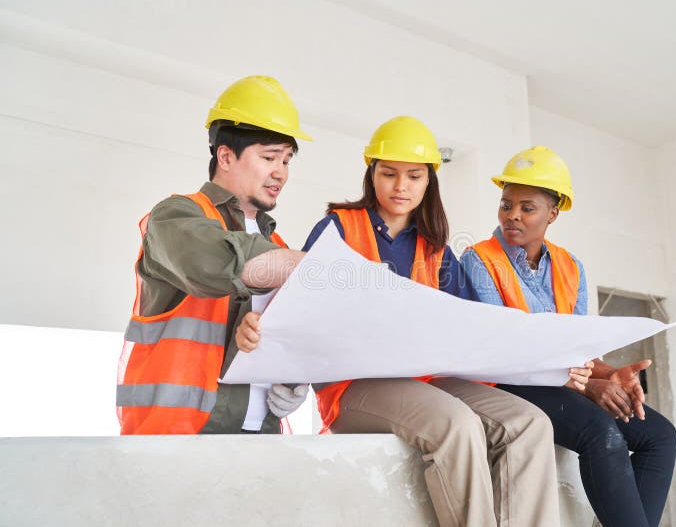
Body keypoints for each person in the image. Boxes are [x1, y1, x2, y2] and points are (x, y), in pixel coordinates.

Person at [235, 117, 591, 526]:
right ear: (372, 174)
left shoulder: (435, 246)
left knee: (529, 424)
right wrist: (291, 374)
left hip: (425, 380)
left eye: (413, 176)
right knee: (457, 425)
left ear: (429, 182)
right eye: (388, 174)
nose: (400, 186)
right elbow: (302, 308)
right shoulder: (340, 227)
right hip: (353, 386)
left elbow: (470, 324)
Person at [460, 146, 676, 527]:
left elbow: (577, 349)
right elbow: (504, 350)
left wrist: (608, 375)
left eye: (527, 207)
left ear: (553, 213)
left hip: (561, 384)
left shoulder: (570, 267)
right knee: (600, 430)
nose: (512, 215)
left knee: (660, 435)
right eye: (506, 204)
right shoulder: (478, 259)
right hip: (508, 383)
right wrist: (586, 387)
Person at [116, 75, 312, 435]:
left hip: (260, 438)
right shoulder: (176, 216)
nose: (280, 172)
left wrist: (292, 376)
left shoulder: (280, 246)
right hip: (177, 437)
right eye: (269, 157)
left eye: (286, 161)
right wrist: (324, 270)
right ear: (225, 155)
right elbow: (221, 262)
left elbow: (282, 335)